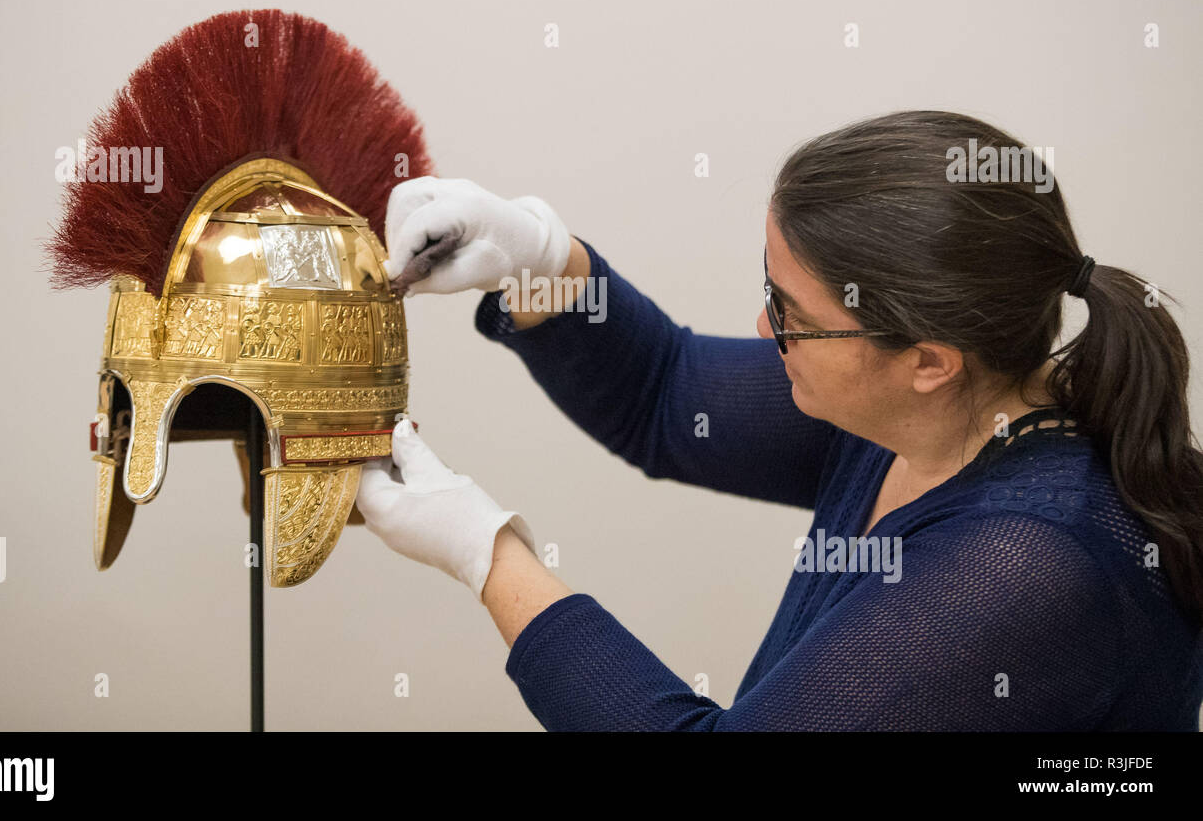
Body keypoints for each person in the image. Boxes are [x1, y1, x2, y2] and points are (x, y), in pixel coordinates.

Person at [354, 110, 1203, 731]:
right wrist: (538, 259)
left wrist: (486, 553)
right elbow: (665, 396)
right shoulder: (926, 411)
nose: (766, 330)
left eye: (789, 310)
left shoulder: (1028, 564)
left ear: (929, 360)